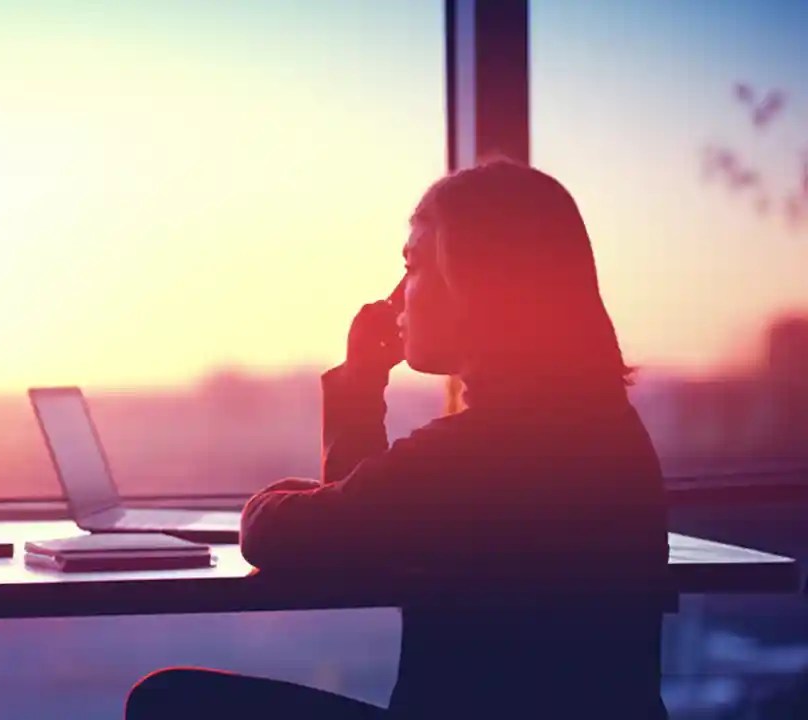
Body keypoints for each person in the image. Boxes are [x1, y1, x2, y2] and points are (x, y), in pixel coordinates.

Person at [125, 160, 671, 720]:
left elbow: (281, 537)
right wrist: (360, 392)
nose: (394, 296)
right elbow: (365, 535)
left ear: (472, 281)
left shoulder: (474, 455)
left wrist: (267, 504)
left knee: (166, 702)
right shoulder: (604, 430)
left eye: (412, 266)